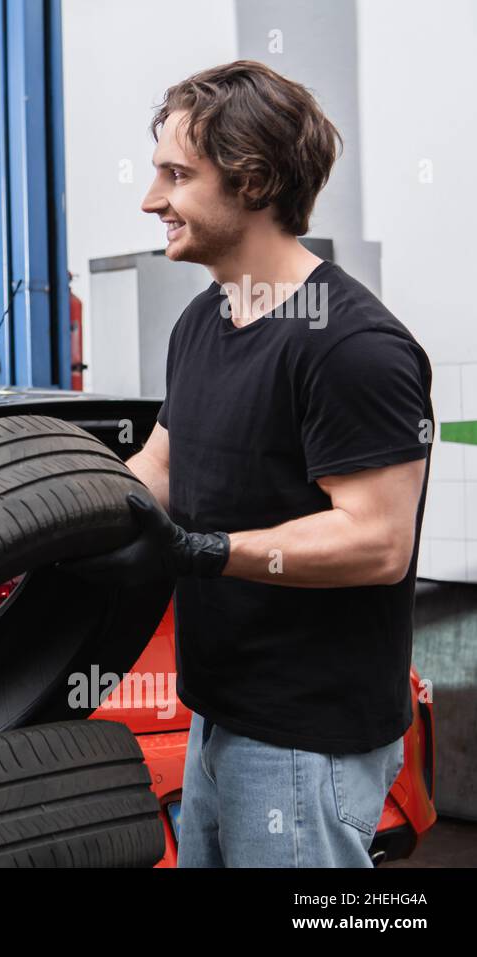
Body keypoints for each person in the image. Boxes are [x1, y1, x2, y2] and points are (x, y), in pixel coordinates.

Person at [62, 61, 431, 867]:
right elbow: (163, 459)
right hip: (217, 709)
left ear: (253, 181)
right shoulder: (204, 320)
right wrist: (53, 514)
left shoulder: (352, 346)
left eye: (176, 175)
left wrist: (205, 549)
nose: (150, 199)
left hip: (306, 737)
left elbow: (376, 542)